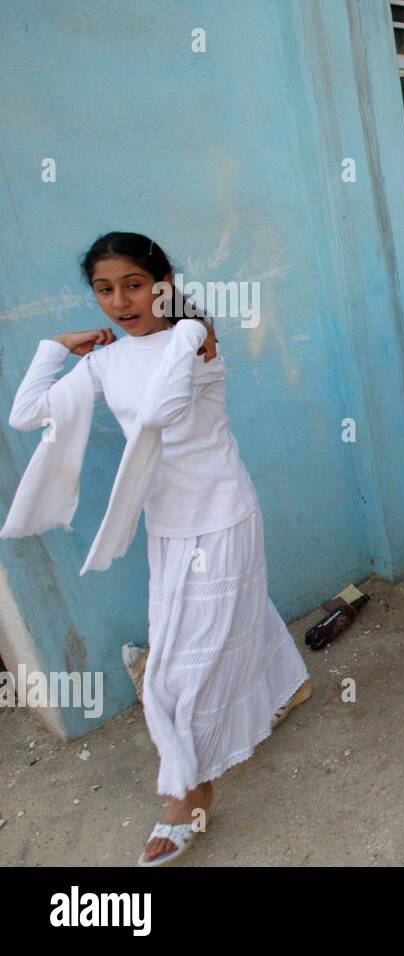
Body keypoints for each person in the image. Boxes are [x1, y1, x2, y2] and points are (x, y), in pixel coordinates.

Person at [1, 232, 310, 862]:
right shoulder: (105, 361)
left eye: (133, 285)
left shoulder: (194, 338)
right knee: (222, 625)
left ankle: (187, 795)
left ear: (162, 282)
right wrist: (58, 348)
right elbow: (27, 414)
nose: (118, 302)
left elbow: (160, 412)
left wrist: (184, 326)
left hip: (221, 515)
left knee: (176, 672)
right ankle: (289, 685)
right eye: (104, 290)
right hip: (167, 527)